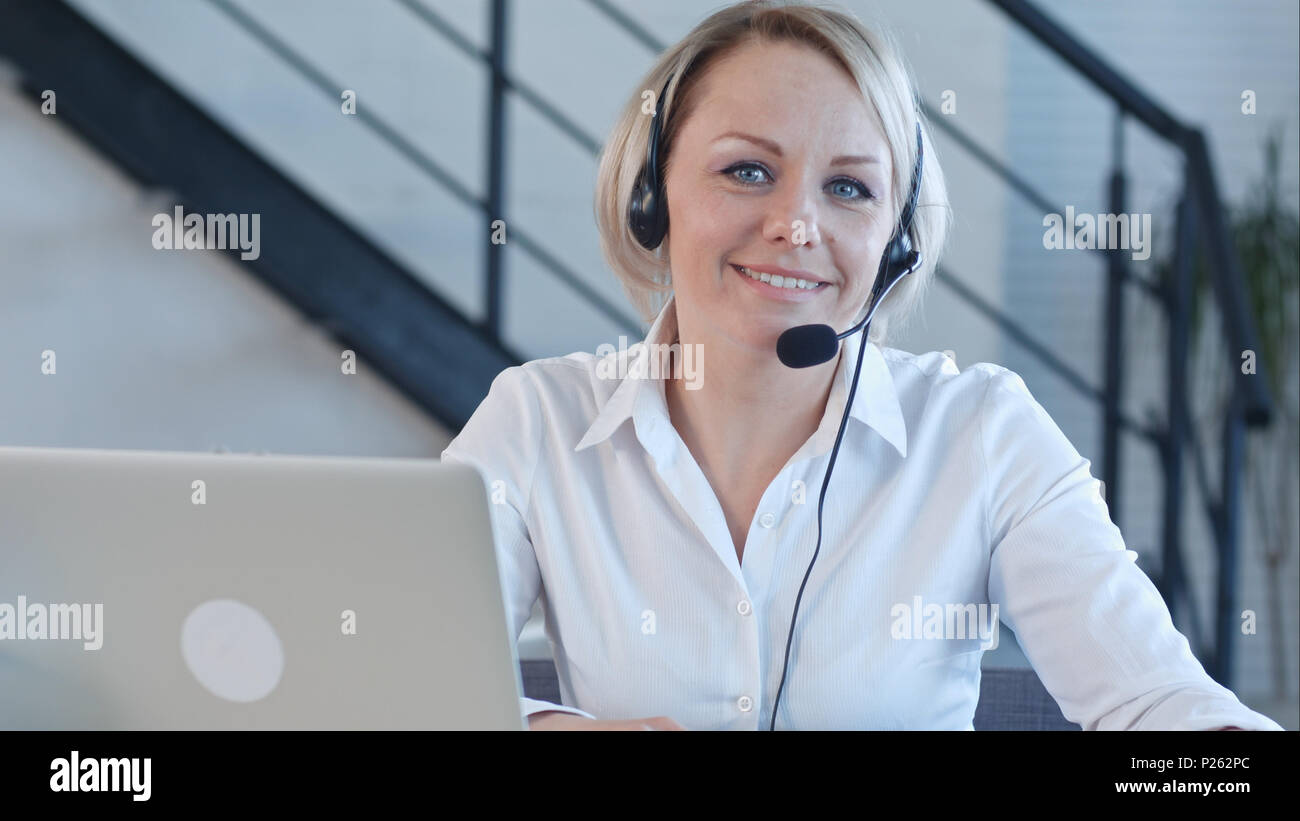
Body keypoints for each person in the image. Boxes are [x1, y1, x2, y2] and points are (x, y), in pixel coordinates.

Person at [441, 0, 1282, 731]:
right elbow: (390, 683)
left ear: (896, 241)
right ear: (650, 194)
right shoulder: (536, 421)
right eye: (747, 170)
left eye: (850, 188)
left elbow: (1165, 710)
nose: (796, 224)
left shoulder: (981, 432)